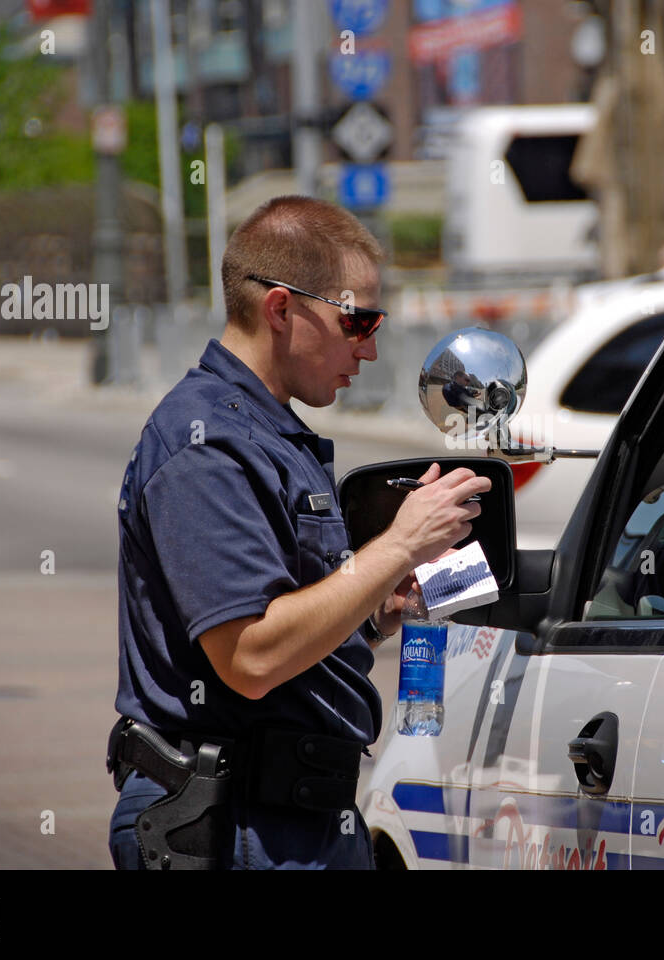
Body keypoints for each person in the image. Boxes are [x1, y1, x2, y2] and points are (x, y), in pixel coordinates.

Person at [105, 196, 491, 870]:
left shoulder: (267, 432)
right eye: (357, 321)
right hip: (234, 827)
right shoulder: (206, 445)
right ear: (282, 310)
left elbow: (292, 624)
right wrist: (398, 543)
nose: (369, 349)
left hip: (293, 816)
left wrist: (374, 613)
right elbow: (251, 657)